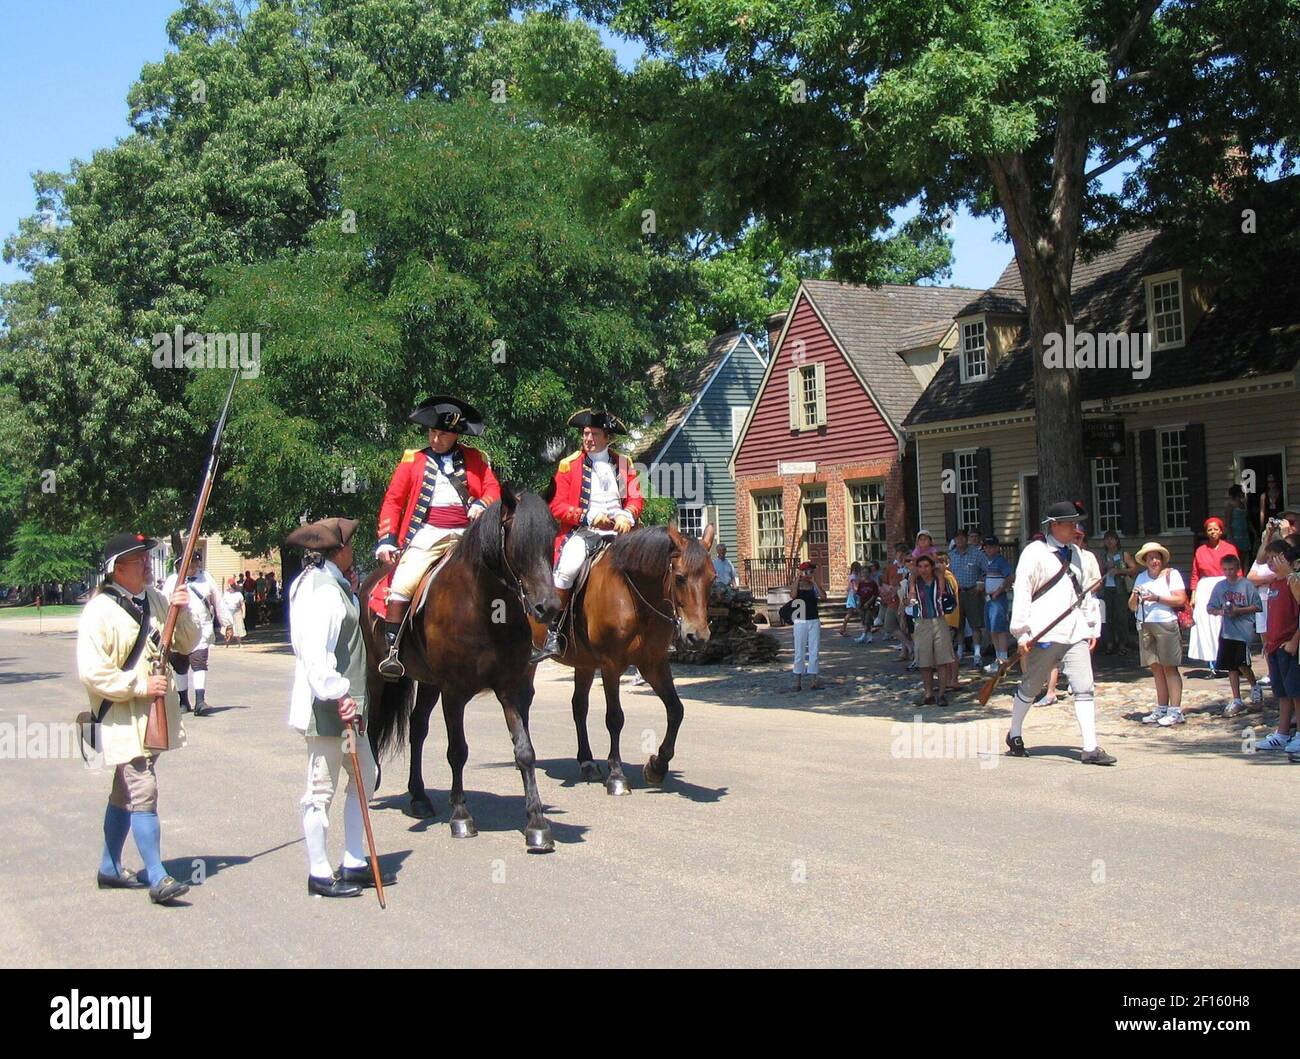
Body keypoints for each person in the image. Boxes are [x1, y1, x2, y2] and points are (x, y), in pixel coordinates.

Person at [77, 532, 199, 905]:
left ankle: (110, 866)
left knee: (123, 791)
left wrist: (184, 607)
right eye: (139, 561)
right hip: (121, 715)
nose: (147, 565)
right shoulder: (98, 611)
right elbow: (93, 672)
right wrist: (139, 685)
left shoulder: (156, 600)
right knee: (143, 787)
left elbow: (187, 643)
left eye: (147, 559)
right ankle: (158, 876)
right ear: (118, 569)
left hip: (151, 715)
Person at [286, 517, 395, 898]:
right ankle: (318, 872)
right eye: (351, 545)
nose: (354, 551)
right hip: (328, 706)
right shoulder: (320, 590)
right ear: (340, 549)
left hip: (349, 705)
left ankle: (353, 860)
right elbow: (316, 653)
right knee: (320, 788)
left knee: (364, 773)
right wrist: (339, 694)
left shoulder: (334, 585)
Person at [374, 395, 499, 678]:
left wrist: (482, 503)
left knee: (503, 578)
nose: (434, 437)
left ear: (454, 434)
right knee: (403, 584)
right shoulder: (413, 460)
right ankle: (393, 650)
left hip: (467, 535)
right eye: (432, 431)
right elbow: (394, 501)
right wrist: (387, 539)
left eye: (441, 433)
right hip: (428, 532)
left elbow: (493, 489)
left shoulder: (476, 459)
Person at [1005, 501, 1112, 764]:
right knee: (1032, 685)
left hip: (1075, 630)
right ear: (1054, 526)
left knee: (1084, 687)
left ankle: (1090, 747)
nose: (1075, 528)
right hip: (1044, 631)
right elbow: (1023, 593)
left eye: (1076, 523)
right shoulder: (1034, 552)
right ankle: (1014, 732)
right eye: (1070, 524)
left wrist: (1091, 626)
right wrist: (1021, 633)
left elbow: (1085, 594)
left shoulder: (1077, 554)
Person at [533, 409, 643, 662]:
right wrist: (587, 516)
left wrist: (627, 515)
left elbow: (636, 498)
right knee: (567, 570)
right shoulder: (569, 464)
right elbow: (557, 505)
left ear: (607, 437)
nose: (588, 438)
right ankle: (554, 633)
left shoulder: (625, 464)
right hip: (583, 531)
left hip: (621, 532)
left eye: (594, 434)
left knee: (651, 565)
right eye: (585, 433)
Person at [162, 554, 231, 718]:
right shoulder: (172, 581)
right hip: (178, 629)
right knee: (180, 666)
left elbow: (217, 601)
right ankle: (183, 701)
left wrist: (227, 623)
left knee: (199, 662)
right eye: (189, 562)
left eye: (195, 562)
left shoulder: (206, 578)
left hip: (202, 629)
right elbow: (163, 604)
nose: (192, 566)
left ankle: (200, 701)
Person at [1131, 541, 1188, 727]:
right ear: (1145, 560)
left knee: (1169, 666)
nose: (1154, 561)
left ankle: (1175, 710)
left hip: (1166, 622)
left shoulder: (1172, 575)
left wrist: (1157, 598)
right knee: (1155, 667)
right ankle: (1162, 707)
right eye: (1150, 558)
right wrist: (1135, 595)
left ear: (1162, 559)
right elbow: (1131, 606)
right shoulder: (1141, 577)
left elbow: (1180, 598)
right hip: (1145, 623)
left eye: (1157, 557)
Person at [1252, 540, 1300, 755]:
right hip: (1274, 645)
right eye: (1269, 558)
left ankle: (1298, 733)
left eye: (1276, 557)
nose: (1271, 562)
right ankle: (1282, 733)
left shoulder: (1293, 581)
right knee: (1282, 693)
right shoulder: (1272, 584)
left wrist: (1294, 641)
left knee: (1296, 692)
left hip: (1289, 644)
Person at [1205, 554, 1262, 716]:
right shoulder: (1219, 587)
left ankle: (1254, 687)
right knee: (1231, 666)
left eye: (1231, 569)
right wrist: (1222, 611)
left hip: (1243, 631)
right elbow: (1210, 608)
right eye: (1225, 569)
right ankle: (1236, 698)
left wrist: (1239, 611)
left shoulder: (1246, 585)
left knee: (1242, 664)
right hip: (1227, 631)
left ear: (1237, 569)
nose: (1229, 573)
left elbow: (1257, 606)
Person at [1188, 517, 1240, 672]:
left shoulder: (1229, 548)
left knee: (1224, 624)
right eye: (1209, 529)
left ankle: (1229, 660)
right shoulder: (1200, 550)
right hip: (1205, 589)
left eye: (1215, 529)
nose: (1212, 532)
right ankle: (1212, 661)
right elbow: (1195, 574)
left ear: (1221, 531)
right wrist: (1193, 595)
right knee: (1206, 625)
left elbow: (1237, 570)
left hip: (1225, 586)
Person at [906, 553, 956, 706]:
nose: (923, 569)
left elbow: (946, 598)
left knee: (942, 659)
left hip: (939, 620)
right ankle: (928, 693)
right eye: (920, 566)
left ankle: (941, 694)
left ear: (932, 566)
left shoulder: (941, 580)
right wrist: (912, 580)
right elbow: (910, 601)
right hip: (922, 622)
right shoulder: (915, 582)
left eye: (927, 566)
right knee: (924, 660)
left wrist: (941, 577)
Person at [948, 528, 988, 668]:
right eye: (957, 538)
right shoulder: (951, 555)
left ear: (966, 538)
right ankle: (960, 651)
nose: (960, 540)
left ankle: (977, 653)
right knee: (958, 625)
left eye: (962, 537)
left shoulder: (977, 554)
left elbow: (986, 570)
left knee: (975, 624)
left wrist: (981, 584)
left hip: (972, 592)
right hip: (956, 594)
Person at [787, 561, 824, 691]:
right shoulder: (798, 585)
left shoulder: (814, 585)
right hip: (800, 619)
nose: (810, 574)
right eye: (807, 571)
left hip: (813, 619)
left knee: (814, 650)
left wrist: (815, 582)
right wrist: (798, 578)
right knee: (799, 650)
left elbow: (823, 596)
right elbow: (792, 596)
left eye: (811, 571)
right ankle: (798, 681)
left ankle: (814, 680)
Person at [980, 535, 1013, 674]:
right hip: (989, 599)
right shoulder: (987, 562)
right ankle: (998, 657)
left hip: (998, 599)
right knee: (992, 629)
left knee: (999, 629)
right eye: (987, 547)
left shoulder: (1000, 561)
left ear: (997, 548)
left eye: (992, 546)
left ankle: (1003, 659)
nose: (989, 549)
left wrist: (999, 591)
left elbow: (1010, 577)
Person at [1099, 530, 1133, 654]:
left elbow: (1134, 569)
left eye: (1112, 539)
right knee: (1108, 617)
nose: (1109, 541)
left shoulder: (1123, 554)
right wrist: (1105, 566)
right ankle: (1109, 643)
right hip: (1105, 590)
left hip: (1120, 589)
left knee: (1121, 617)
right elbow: (1097, 572)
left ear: (1117, 540)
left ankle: (1123, 644)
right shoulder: (1102, 555)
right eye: (1107, 539)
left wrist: (1119, 571)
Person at [934, 551, 963, 693]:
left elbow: (948, 598)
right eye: (936, 562)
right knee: (946, 650)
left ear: (947, 564)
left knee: (949, 651)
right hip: (943, 618)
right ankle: (947, 679)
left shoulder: (947, 577)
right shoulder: (942, 577)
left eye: (941, 562)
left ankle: (954, 679)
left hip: (949, 618)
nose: (938, 565)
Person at [1225, 485, 1255, 560]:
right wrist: (1231, 538)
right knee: (1236, 556)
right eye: (1241, 491)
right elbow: (1228, 523)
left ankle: (1245, 571)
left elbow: (1247, 520)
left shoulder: (1243, 504)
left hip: (1244, 534)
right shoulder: (1230, 505)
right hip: (1235, 534)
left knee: (1246, 555)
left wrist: (1254, 532)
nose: (1243, 493)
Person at [839, 561, 864, 638]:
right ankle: (867, 627)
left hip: (853, 596)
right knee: (856, 612)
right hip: (853, 596)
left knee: (855, 613)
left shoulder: (855, 576)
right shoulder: (853, 577)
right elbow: (855, 587)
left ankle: (843, 629)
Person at [222, 578, 247, 646]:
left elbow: (242, 604)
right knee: (227, 628)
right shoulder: (225, 594)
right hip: (228, 613)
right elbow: (222, 604)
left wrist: (243, 613)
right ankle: (226, 643)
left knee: (238, 628)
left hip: (236, 612)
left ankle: (239, 643)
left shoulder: (238, 594)